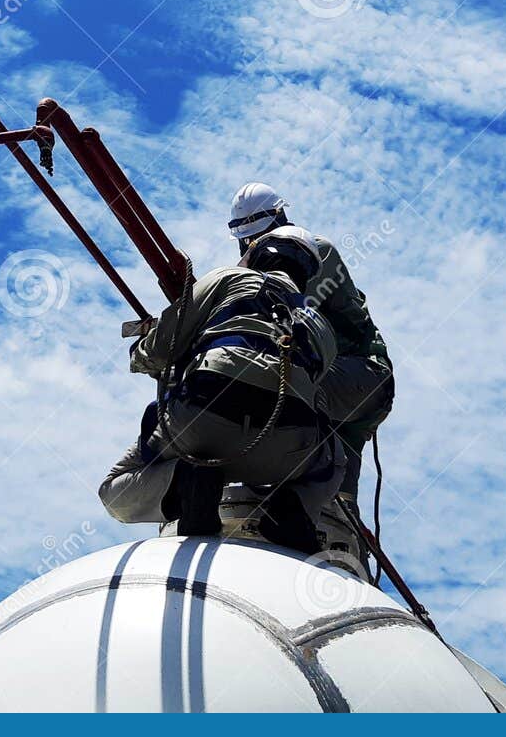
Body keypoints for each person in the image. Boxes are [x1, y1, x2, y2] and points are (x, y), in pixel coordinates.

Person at [98, 233, 343, 553]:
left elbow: (163, 347)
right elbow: (313, 399)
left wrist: (140, 353)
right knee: (334, 455)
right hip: (282, 451)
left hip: (202, 421)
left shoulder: (229, 277)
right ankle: (292, 509)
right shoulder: (323, 329)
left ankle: (187, 483)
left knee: (114, 492)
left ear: (259, 255)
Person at [226, 183, 394, 499]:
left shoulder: (314, 254)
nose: (253, 246)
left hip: (361, 374)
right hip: (329, 380)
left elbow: (285, 313)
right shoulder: (260, 274)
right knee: (335, 499)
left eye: (255, 239)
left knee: (271, 382)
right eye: (246, 242)